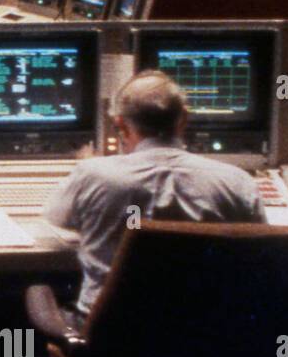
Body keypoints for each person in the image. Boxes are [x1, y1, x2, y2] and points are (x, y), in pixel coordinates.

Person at [43, 71, 265, 320]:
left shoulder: (93, 174)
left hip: (110, 338)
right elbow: (258, 254)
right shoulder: (237, 182)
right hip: (207, 343)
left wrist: (90, 175)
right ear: (183, 120)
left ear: (121, 124)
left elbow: (57, 218)